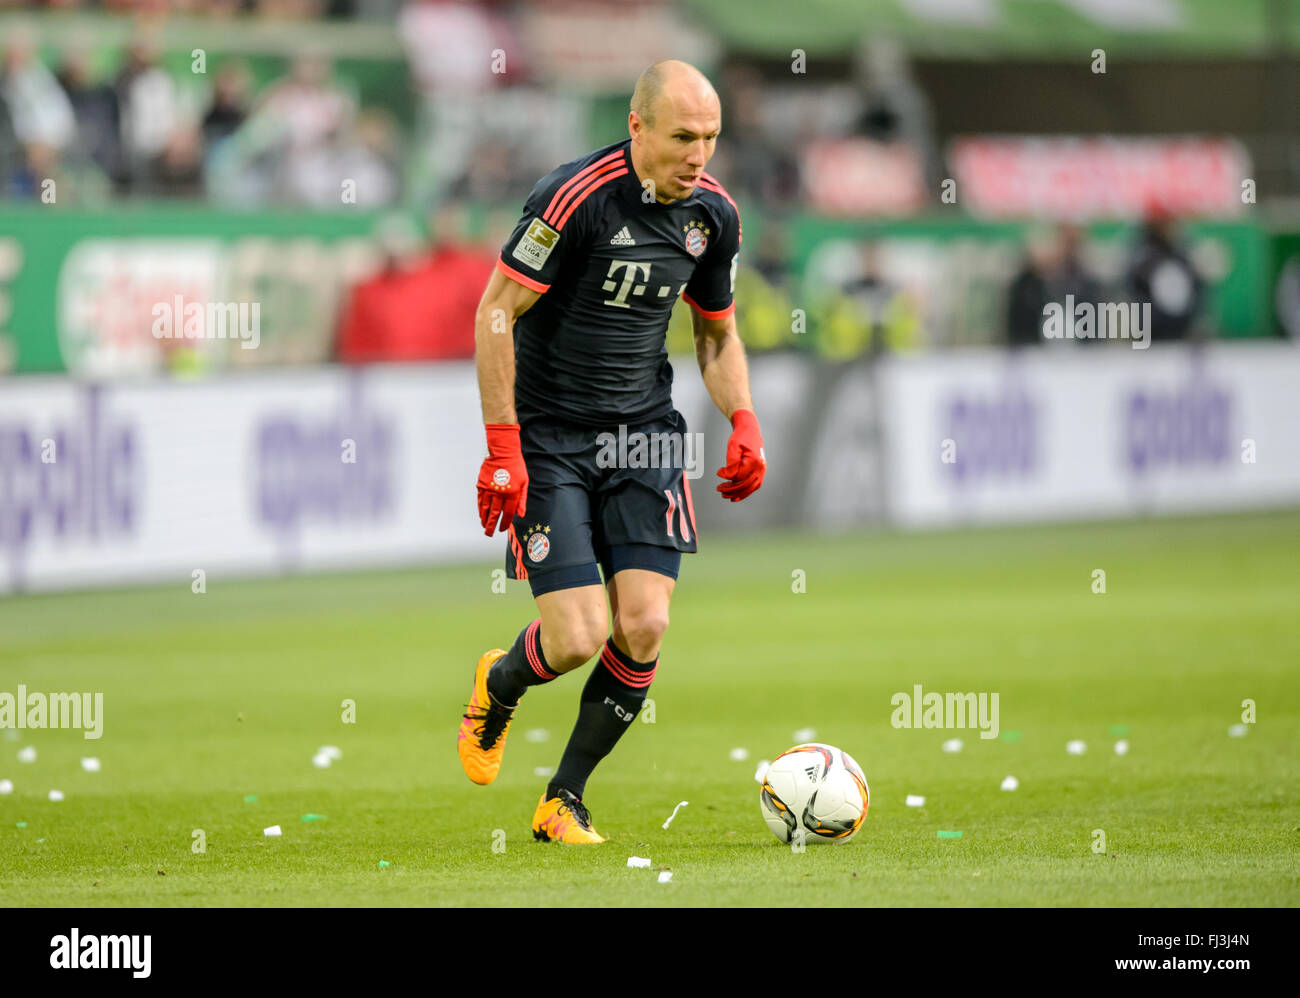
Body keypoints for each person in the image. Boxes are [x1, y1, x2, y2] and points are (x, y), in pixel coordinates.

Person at [459, 60, 767, 844]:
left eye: (711, 138)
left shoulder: (714, 219)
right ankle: (501, 682)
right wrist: (503, 447)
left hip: (644, 436)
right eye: (682, 137)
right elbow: (496, 312)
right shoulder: (574, 198)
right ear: (638, 128)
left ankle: (563, 798)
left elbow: (716, 330)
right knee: (573, 638)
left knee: (647, 624)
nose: (698, 154)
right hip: (551, 438)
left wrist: (744, 418)